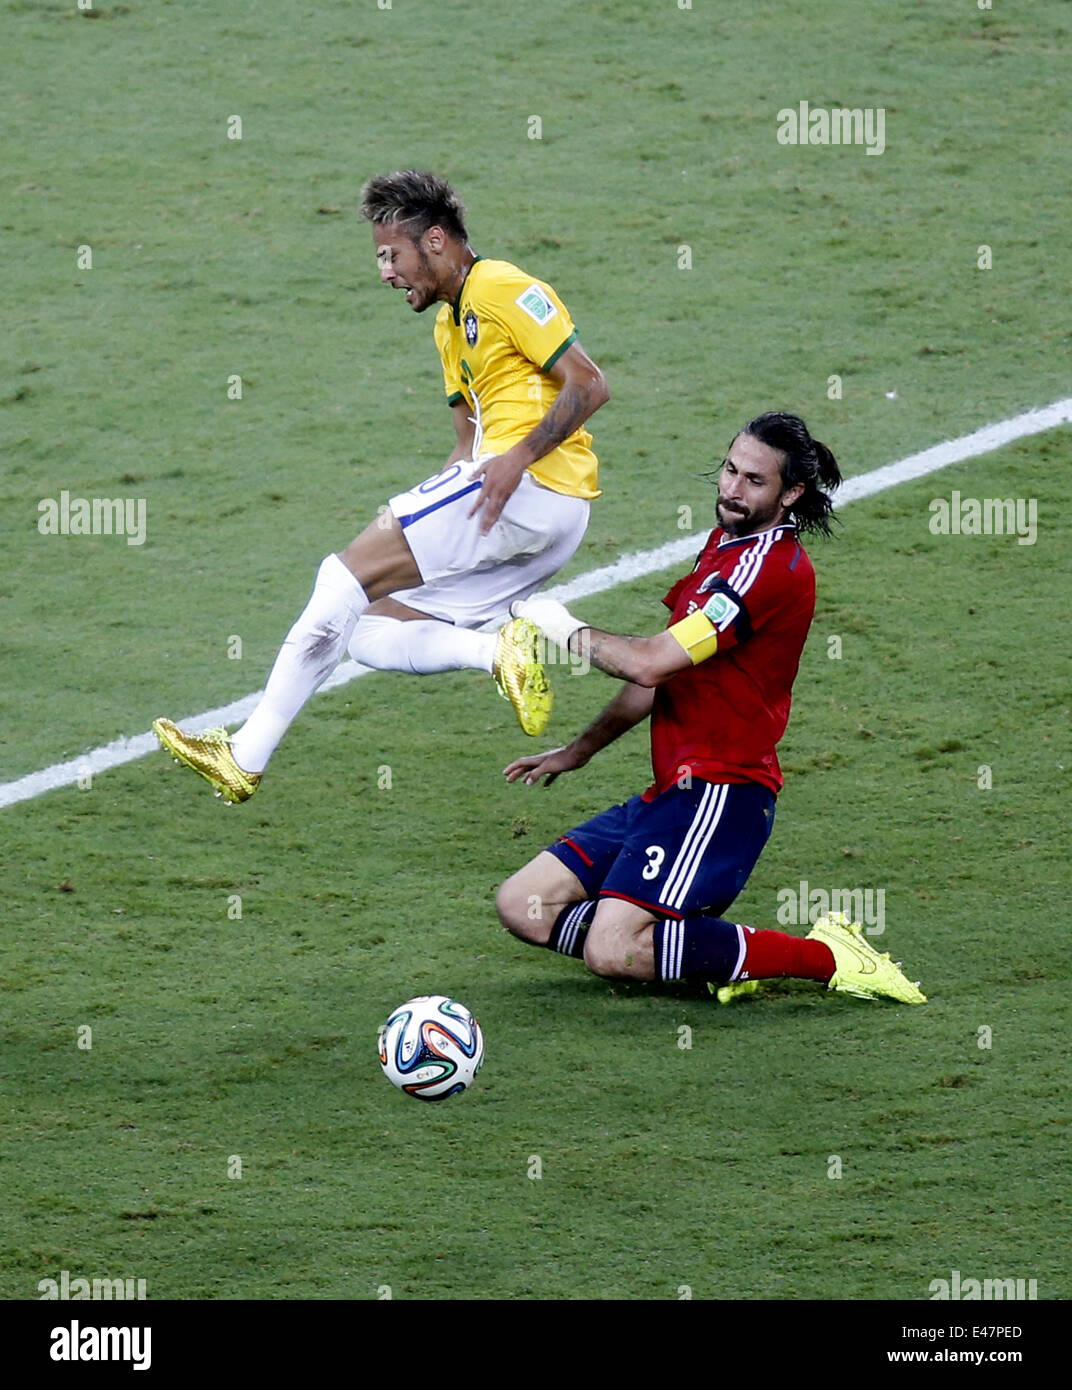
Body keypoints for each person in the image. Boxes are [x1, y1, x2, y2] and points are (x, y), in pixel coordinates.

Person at [153, 170, 610, 802]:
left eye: (390, 255)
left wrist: (516, 459)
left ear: (436, 240)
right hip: (539, 513)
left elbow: (590, 383)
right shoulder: (450, 328)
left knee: (341, 577)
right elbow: (466, 443)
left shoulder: (503, 286)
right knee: (364, 627)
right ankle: (497, 653)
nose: (385, 273)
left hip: (530, 484)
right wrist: (436, 496)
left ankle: (244, 756)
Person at [496, 411, 925, 1005]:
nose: (731, 488)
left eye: (754, 480)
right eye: (729, 470)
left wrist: (559, 625)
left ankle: (827, 957)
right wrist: (577, 751)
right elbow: (659, 679)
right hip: (672, 794)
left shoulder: (765, 570)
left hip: (723, 794)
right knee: (522, 906)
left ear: (791, 493)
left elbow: (648, 662)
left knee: (610, 950)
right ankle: (708, 957)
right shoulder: (726, 544)